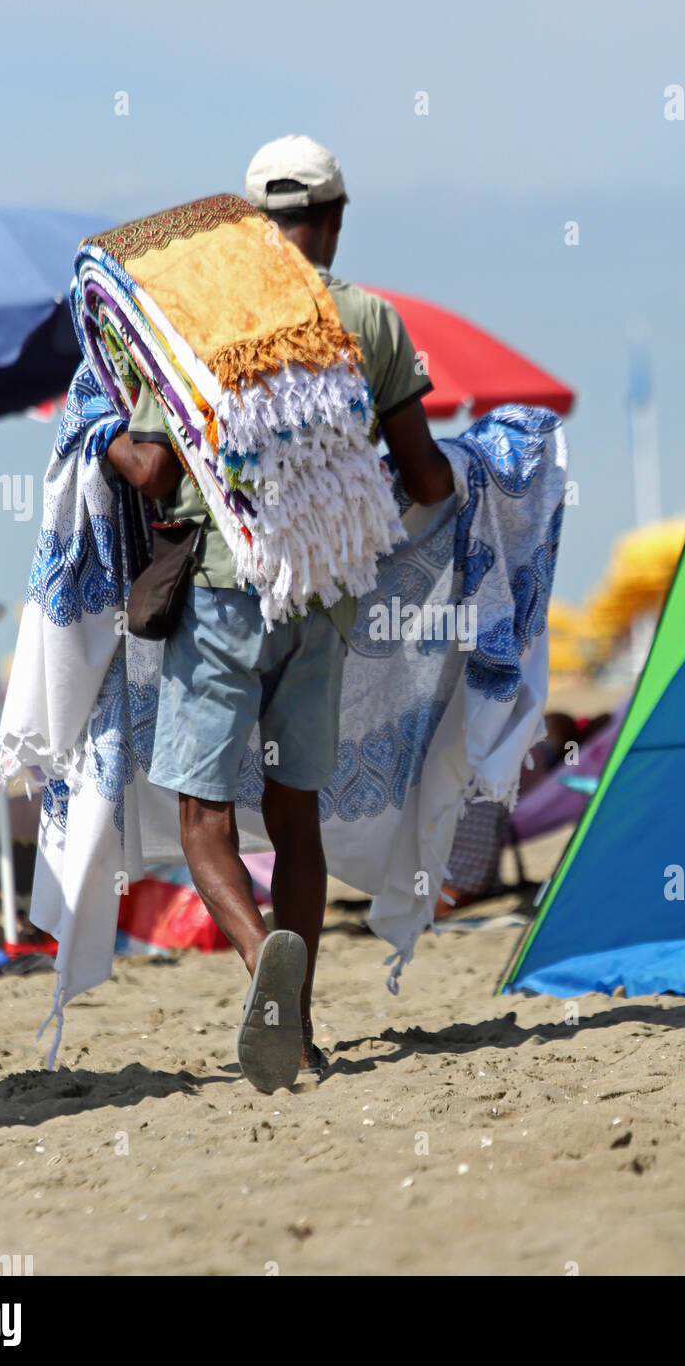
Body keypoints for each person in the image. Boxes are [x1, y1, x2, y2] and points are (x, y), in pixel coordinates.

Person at [104, 135, 454, 1092]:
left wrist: (107, 448)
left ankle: (264, 966)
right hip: (324, 595)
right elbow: (426, 478)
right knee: (295, 817)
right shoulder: (372, 321)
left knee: (203, 821)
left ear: (253, 228)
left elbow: (157, 468)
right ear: (335, 219)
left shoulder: (194, 316)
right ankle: (294, 1034)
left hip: (223, 586)